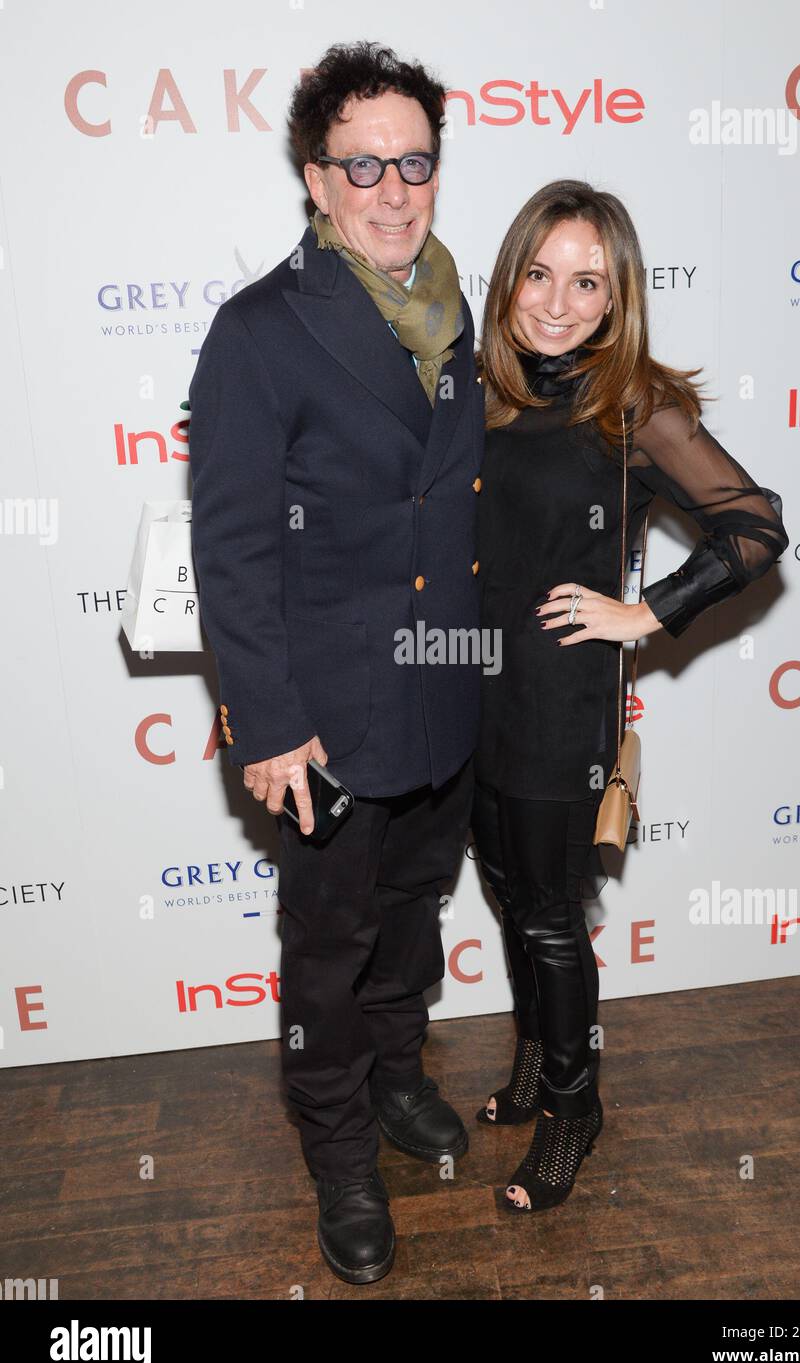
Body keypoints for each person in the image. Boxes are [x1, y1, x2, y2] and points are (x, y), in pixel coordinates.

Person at [188, 41, 483, 1285]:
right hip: (324, 719)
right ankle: (340, 1147)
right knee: (329, 944)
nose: (393, 187)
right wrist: (263, 722)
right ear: (317, 178)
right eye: (364, 163)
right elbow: (235, 546)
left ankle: (402, 1071)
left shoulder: (464, 305)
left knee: (413, 918)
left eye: (413, 160)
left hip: (444, 689)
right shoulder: (260, 330)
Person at [471, 180, 789, 1213]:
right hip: (467, 689)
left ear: (618, 300)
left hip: (561, 702)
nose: (559, 303)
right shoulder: (478, 391)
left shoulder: (632, 408)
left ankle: (574, 1110)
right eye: (541, 274)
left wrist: (645, 613)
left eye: (588, 283)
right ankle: (532, 1064)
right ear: (512, 274)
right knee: (511, 894)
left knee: (554, 918)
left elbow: (756, 525)